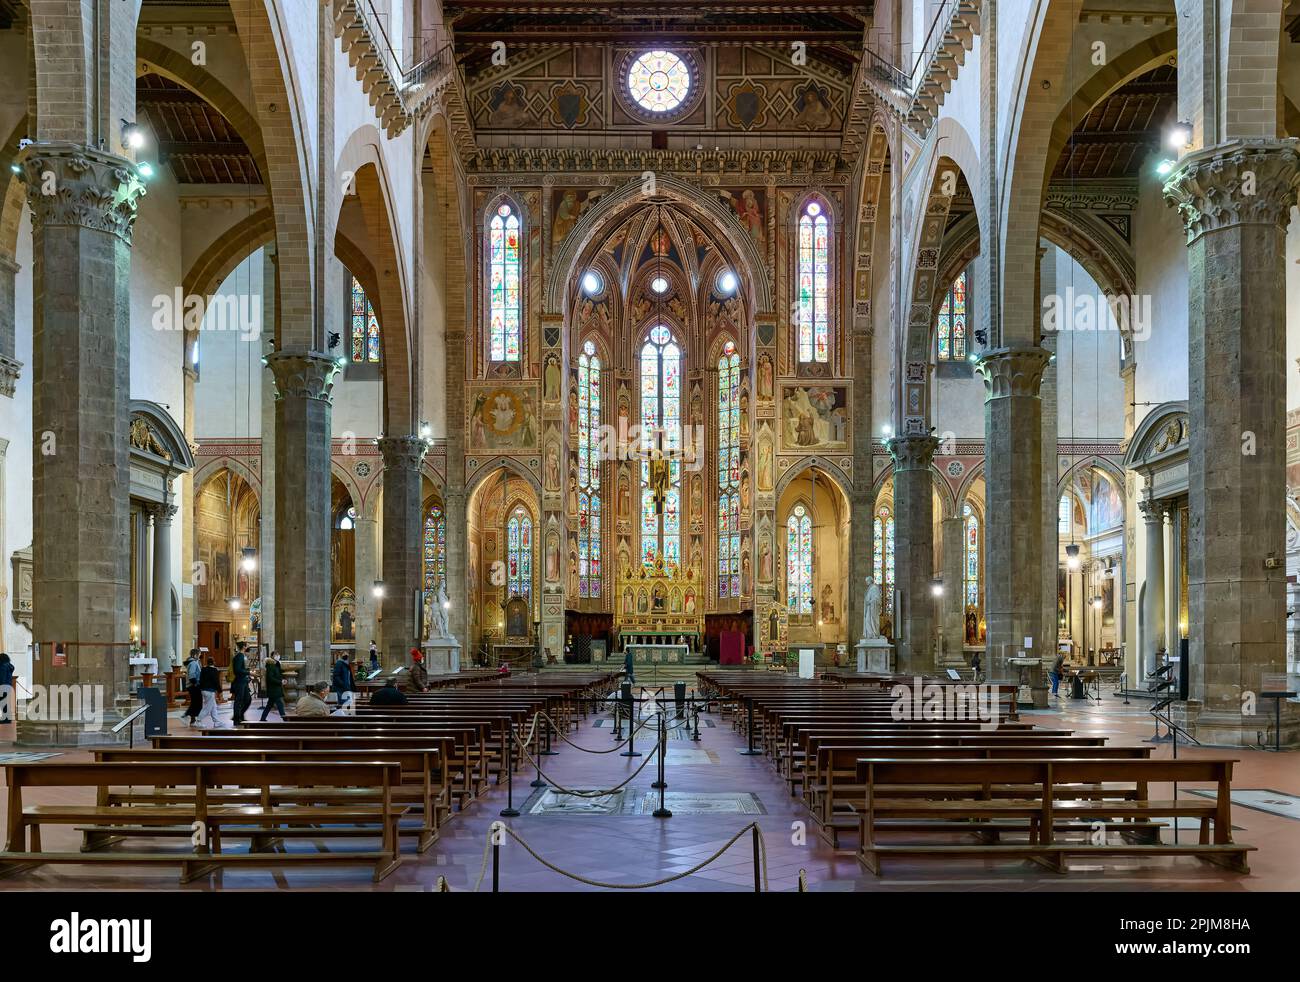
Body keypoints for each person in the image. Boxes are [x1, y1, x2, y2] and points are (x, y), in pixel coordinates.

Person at [196, 656, 226, 729]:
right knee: (207, 708)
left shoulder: (203, 669)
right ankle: (199, 720)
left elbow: (201, 679)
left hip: (203, 690)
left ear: (207, 662)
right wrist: (220, 691)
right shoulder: (214, 670)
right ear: (214, 662)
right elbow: (216, 682)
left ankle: (217, 722)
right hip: (210, 691)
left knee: (213, 707)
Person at [259, 650, 286, 721]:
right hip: (273, 689)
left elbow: (278, 675)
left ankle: (262, 718)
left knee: (269, 705)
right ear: (273, 656)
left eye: (278, 654)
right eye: (276, 655)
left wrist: (281, 681)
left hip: (275, 688)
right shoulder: (271, 665)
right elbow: (270, 678)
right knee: (280, 704)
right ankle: (285, 719)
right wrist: (280, 682)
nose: (278, 656)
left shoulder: (276, 664)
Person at [230, 641, 251, 725]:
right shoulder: (239, 656)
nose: (249, 646)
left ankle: (239, 715)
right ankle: (236, 719)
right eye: (247, 645)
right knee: (238, 701)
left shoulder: (242, 656)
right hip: (239, 682)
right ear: (244, 647)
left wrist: (247, 672)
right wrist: (248, 672)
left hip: (243, 681)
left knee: (248, 699)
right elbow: (237, 670)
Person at [184, 648, 202, 725]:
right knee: (197, 702)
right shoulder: (193, 663)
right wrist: (196, 684)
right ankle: (193, 719)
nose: (200, 656)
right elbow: (192, 675)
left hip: (192, 685)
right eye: (199, 654)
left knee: (195, 702)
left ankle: (192, 718)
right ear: (195, 655)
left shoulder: (192, 662)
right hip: (193, 685)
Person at [0, 653, 14, 723]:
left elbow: (1, 678)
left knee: (3, 702)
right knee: (5, 702)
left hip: (2, 686)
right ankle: (6, 718)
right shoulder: (9, 666)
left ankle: (6, 719)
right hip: (8, 686)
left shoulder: (2, 666)